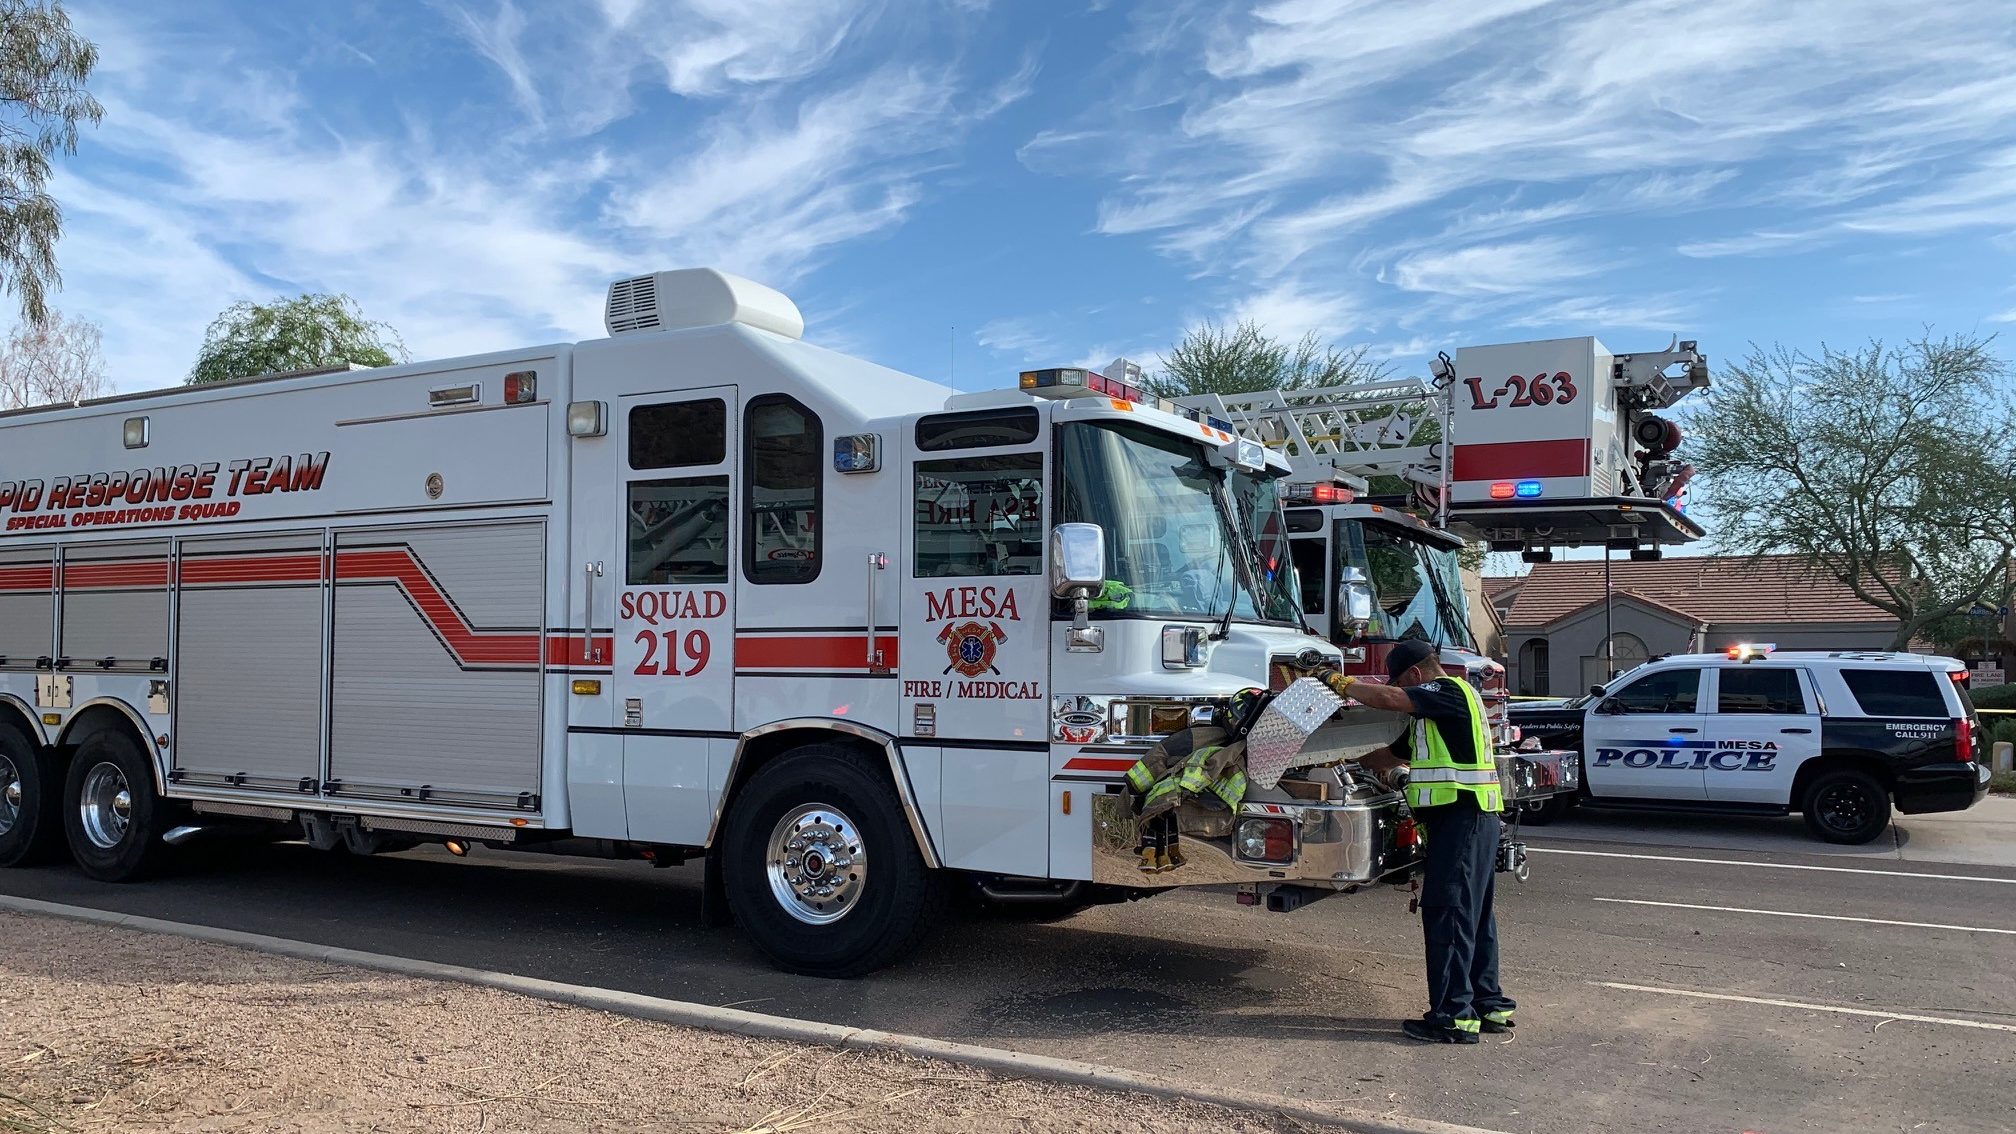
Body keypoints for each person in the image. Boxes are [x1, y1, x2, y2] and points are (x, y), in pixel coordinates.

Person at [1325, 640, 1513, 1045]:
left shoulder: (1448, 690)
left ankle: (1452, 1018)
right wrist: (1339, 755)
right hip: (1472, 822)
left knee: (1449, 915)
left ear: (1415, 675)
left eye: (1399, 683)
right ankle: (1487, 1005)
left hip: (1462, 821)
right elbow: (1389, 756)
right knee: (1474, 917)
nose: (1399, 692)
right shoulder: (1436, 717)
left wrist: (1338, 682)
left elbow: (1391, 699)